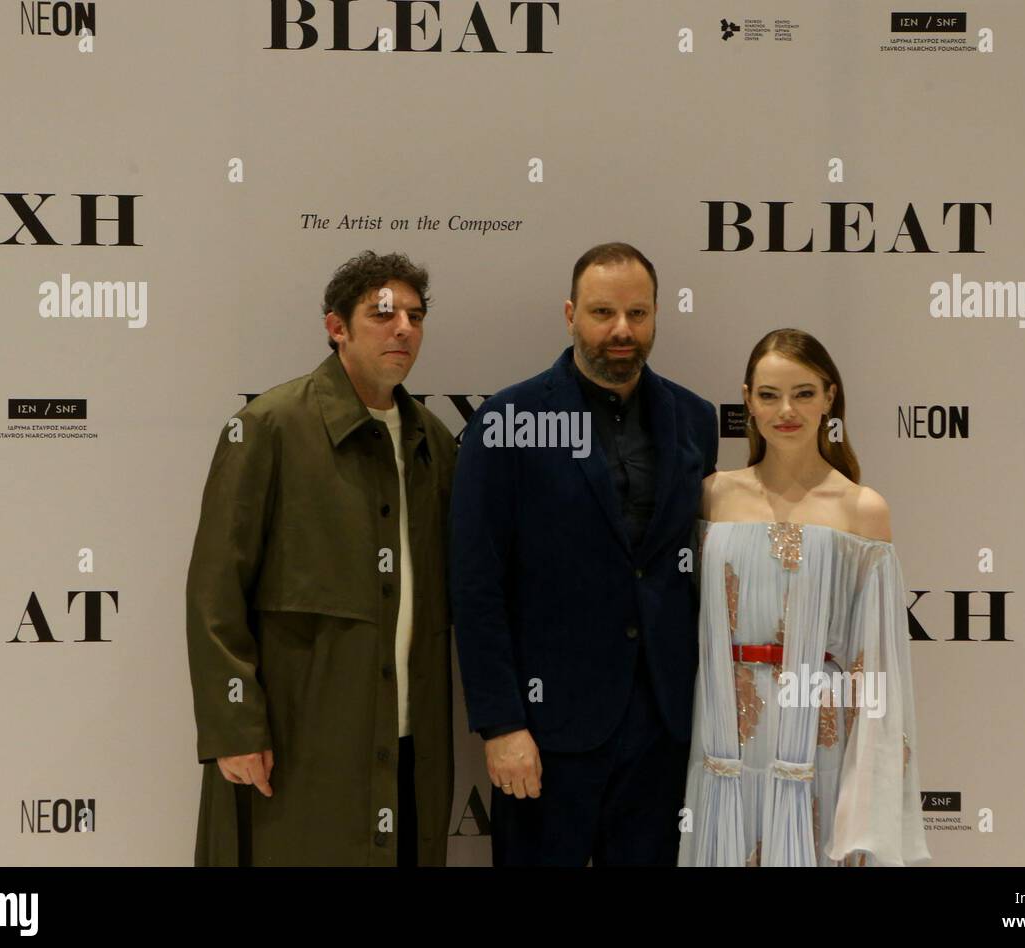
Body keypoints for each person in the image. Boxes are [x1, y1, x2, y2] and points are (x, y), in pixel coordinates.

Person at [184, 250, 458, 866]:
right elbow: (214, 594)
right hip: (298, 743)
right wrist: (236, 728)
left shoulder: (433, 445)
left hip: (408, 744)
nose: (404, 329)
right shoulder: (268, 428)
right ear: (337, 327)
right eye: (383, 314)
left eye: (415, 316)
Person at [451, 242, 719, 865]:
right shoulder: (507, 421)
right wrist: (501, 724)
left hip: (664, 729)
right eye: (603, 313)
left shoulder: (695, 419)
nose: (622, 330)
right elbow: (476, 584)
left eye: (638, 313)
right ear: (570, 313)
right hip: (545, 733)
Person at [678, 328, 931, 866]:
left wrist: (868, 791)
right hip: (722, 736)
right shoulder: (712, 495)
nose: (785, 410)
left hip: (818, 743)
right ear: (747, 399)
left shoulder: (862, 509)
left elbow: (877, 667)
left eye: (804, 393)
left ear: (829, 398)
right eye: (769, 395)